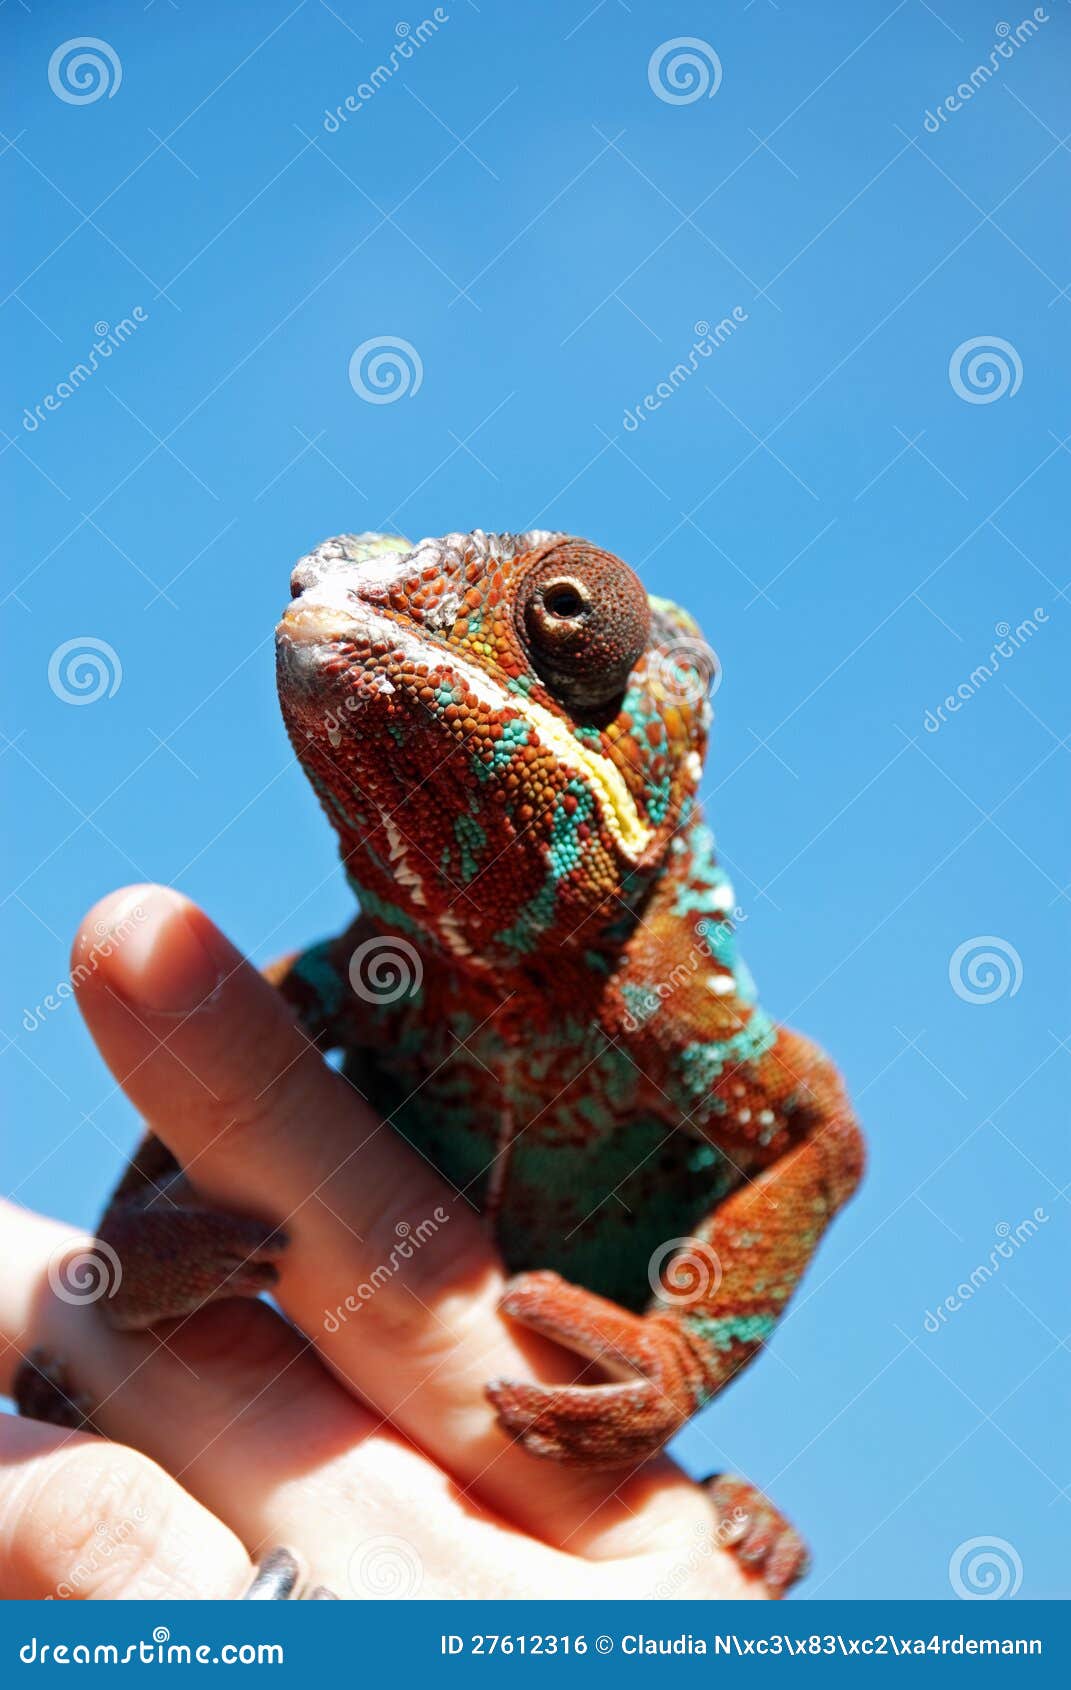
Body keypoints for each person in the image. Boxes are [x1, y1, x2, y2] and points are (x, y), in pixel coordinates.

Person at [0, 886, 761, 1600]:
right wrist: (123, 1273)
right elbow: (154, 1205)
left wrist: (692, 1367)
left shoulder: (662, 990)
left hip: (580, 1429)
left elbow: (821, 1136)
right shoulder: (371, 967)